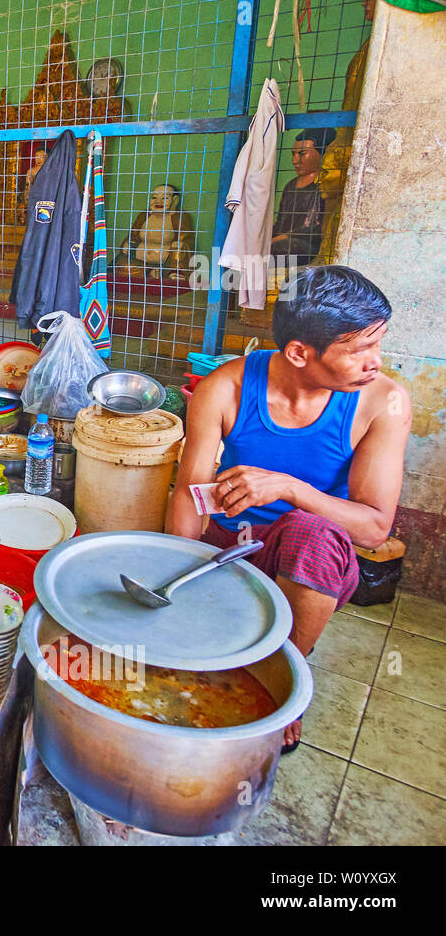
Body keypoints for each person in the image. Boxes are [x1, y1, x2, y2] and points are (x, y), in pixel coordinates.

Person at [166, 265, 411, 750]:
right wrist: (173, 583)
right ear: (300, 352)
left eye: (377, 344)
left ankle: (281, 682)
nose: (375, 362)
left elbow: (375, 529)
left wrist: (288, 488)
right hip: (227, 546)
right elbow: (190, 492)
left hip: (309, 562)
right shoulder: (225, 387)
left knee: (310, 534)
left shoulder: (384, 402)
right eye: (359, 348)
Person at [271, 127, 335, 265]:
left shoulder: (325, 184)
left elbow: (319, 227)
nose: (295, 161)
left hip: (306, 245)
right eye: (293, 154)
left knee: (283, 248)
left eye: (302, 154)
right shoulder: (290, 186)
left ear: (321, 153)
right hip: (281, 241)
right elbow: (280, 222)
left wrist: (285, 237)